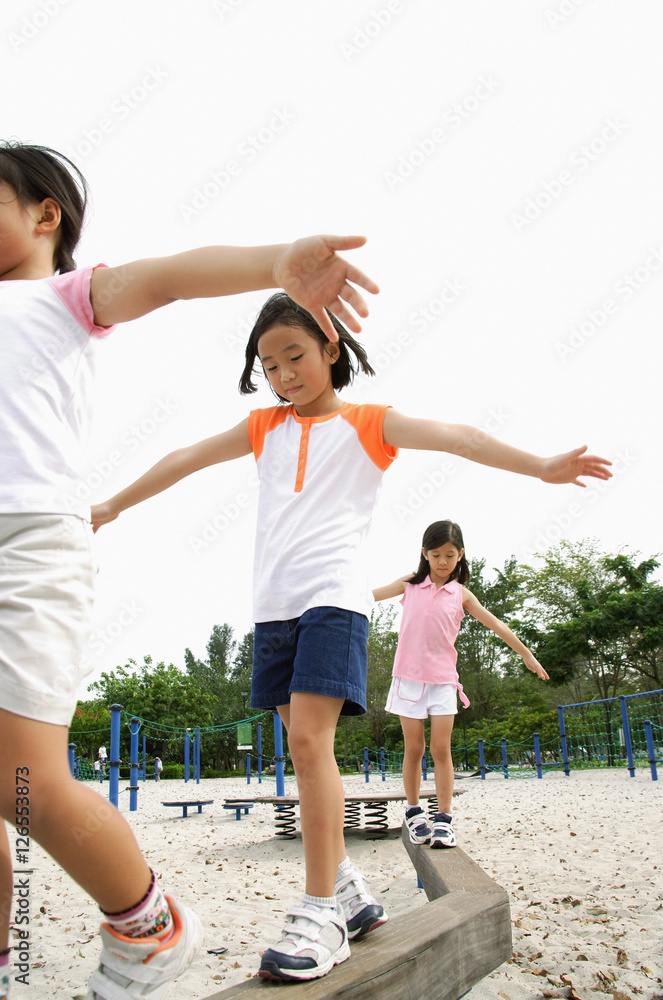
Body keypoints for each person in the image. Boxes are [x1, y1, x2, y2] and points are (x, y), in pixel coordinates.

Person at [91, 292, 611, 983]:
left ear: (331, 350)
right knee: (297, 748)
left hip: (334, 604)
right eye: (268, 364)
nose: (282, 374)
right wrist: (112, 505)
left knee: (310, 743)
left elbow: (459, 434)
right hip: (272, 612)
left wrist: (540, 465)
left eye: (295, 357)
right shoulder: (261, 428)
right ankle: (350, 894)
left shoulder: (368, 423)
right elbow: (186, 455)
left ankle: (320, 914)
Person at [0, 139, 379, 1000]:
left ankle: (149, 925)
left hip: (25, 542)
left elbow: (170, 274)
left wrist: (272, 262)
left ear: (42, 215)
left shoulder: (66, 296)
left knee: (22, 779)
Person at [373, 520, 550, 850]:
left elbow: (496, 624)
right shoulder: (410, 584)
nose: (442, 561)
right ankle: (414, 813)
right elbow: (366, 596)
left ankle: (443, 820)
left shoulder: (462, 594)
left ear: (460, 556)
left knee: (441, 749)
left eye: (449, 555)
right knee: (414, 749)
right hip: (408, 680)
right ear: (424, 554)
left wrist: (527, 655)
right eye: (436, 554)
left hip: (443, 682)